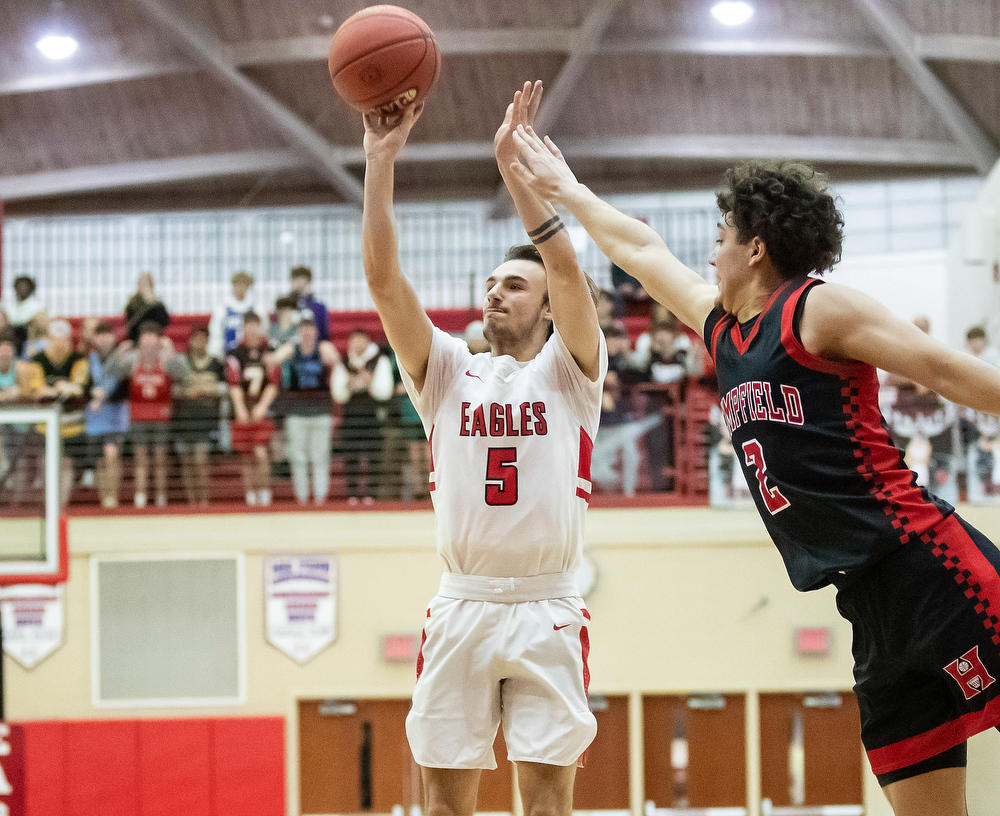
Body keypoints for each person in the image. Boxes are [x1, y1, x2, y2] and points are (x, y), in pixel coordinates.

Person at [509, 126, 1000, 815]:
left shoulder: (818, 308)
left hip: (930, 568)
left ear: (756, 247)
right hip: (866, 607)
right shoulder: (725, 330)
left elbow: (943, 369)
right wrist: (563, 188)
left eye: (720, 237)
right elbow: (641, 251)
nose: (710, 254)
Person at [362, 82, 605, 816]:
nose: (495, 293)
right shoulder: (444, 371)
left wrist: (515, 175)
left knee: (548, 804)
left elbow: (565, 269)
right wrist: (380, 162)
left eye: (515, 285)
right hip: (462, 600)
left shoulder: (570, 371)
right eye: (491, 283)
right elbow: (383, 280)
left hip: (549, 605)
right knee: (444, 806)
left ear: (547, 306)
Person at [110, 323, 189, 508]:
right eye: (145, 338)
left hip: (161, 416)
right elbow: (114, 373)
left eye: (152, 338)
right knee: (140, 457)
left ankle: (161, 498)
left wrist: (173, 353)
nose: (148, 342)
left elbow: (184, 375)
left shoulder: (166, 358)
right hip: (137, 416)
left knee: (160, 457)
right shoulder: (132, 359)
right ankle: (140, 498)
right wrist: (118, 354)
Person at [272, 314, 340, 506]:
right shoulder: (292, 350)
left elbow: (336, 362)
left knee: (320, 457)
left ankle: (320, 499)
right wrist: (288, 348)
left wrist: (331, 357)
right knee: (298, 458)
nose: (307, 334)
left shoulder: (323, 350)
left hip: (321, 412)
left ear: (316, 332)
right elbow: (274, 360)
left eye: (310, 330)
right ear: (298, 333)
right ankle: (302, 499)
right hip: (297, 413)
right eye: (303, 330)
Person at [25, 319, 89, 506]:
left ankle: (61, 505)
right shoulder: (38, 359)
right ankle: (49, 502)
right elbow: (37, 388)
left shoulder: (78, 359)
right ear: (49, 339)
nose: (60, 343)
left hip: (71, 424)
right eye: (56, 339)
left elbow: (79, 386)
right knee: (47, 463)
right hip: (45, 425)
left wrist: (61, 389)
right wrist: (60, 389)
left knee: (67, 463)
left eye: (64, 339)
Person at [331, 328, 393, 505]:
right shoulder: (343, 360)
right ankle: (352, 494)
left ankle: (370, 494)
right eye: (354, 340)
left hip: (373, 413)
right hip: (350, 414)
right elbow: (338, 393)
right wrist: (357, 382)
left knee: (374, 454)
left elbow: (384, 390)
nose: (357, 344)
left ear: (367, 342)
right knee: (351, 454)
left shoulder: (378, 359)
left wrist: (365, 382)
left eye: (360, 340)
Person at [226, 311, 279, 506]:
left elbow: (274, 382)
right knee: (246, 456)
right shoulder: (235, 352)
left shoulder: (269, 350)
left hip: (261, 408)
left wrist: (263, 406)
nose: (252, 328)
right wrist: (240, 408)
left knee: (261, 453)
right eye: (248, 324)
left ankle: (264, 496)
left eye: (255, 324)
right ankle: (250, 497)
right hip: (244, 406)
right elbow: (233, 383)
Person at [173, 325, 226, 506]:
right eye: (196, 338)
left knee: (200, 458)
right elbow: (176, 389)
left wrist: (203, 390)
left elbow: (223, 389)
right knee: (187, 460)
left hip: (206, 419)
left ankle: (203, 501)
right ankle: (191, 502)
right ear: (190, 341)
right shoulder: (182, 363)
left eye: (203, 339)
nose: (199, 342)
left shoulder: (216, 363)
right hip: (185, 418)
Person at [84, 322, 130, 509]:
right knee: (101, 460)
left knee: (112, 454)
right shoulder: (90, 359)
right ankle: (105, 498)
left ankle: (113, 496)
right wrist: (92, 394)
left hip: (115, 416)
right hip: (95, 417)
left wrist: (107, 396)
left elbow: (125, 387)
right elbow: (85, 387)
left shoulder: (121, 358)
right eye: (100, 335)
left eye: (107, 335)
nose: (103, 339)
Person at [208, 271, 268, 358]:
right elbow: (216, 336)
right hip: (228, 356)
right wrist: (216, 355)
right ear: (233, 285)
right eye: (238, 284)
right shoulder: (222, 310)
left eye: (244, 284)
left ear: (248, 286)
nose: (241, 288)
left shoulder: (258, 310)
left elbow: (263, 334)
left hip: (251, 356)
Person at [124, 272, 170, 344]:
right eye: (143, 283)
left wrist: (151, 300)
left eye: (147, 283)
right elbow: (131, 324)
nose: (145, 286)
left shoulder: (158, 304)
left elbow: (165, 322)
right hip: (137, 339)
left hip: (156, 337)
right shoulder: (133, 303)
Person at [5, 275, 45, 357]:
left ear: (31, 289)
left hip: (31, 341)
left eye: (25, 286)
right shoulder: (11, 307)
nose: (22, 288)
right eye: (19, 285)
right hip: (12, 341)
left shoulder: (37, 306)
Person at [288, 265, 330, 343]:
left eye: (302, 278)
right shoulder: (287, 306)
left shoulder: (319, 307)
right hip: (291, 344)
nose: (299, 282)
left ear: (308, 281)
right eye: (295, 279)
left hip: (314, 344)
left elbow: (324, 333)